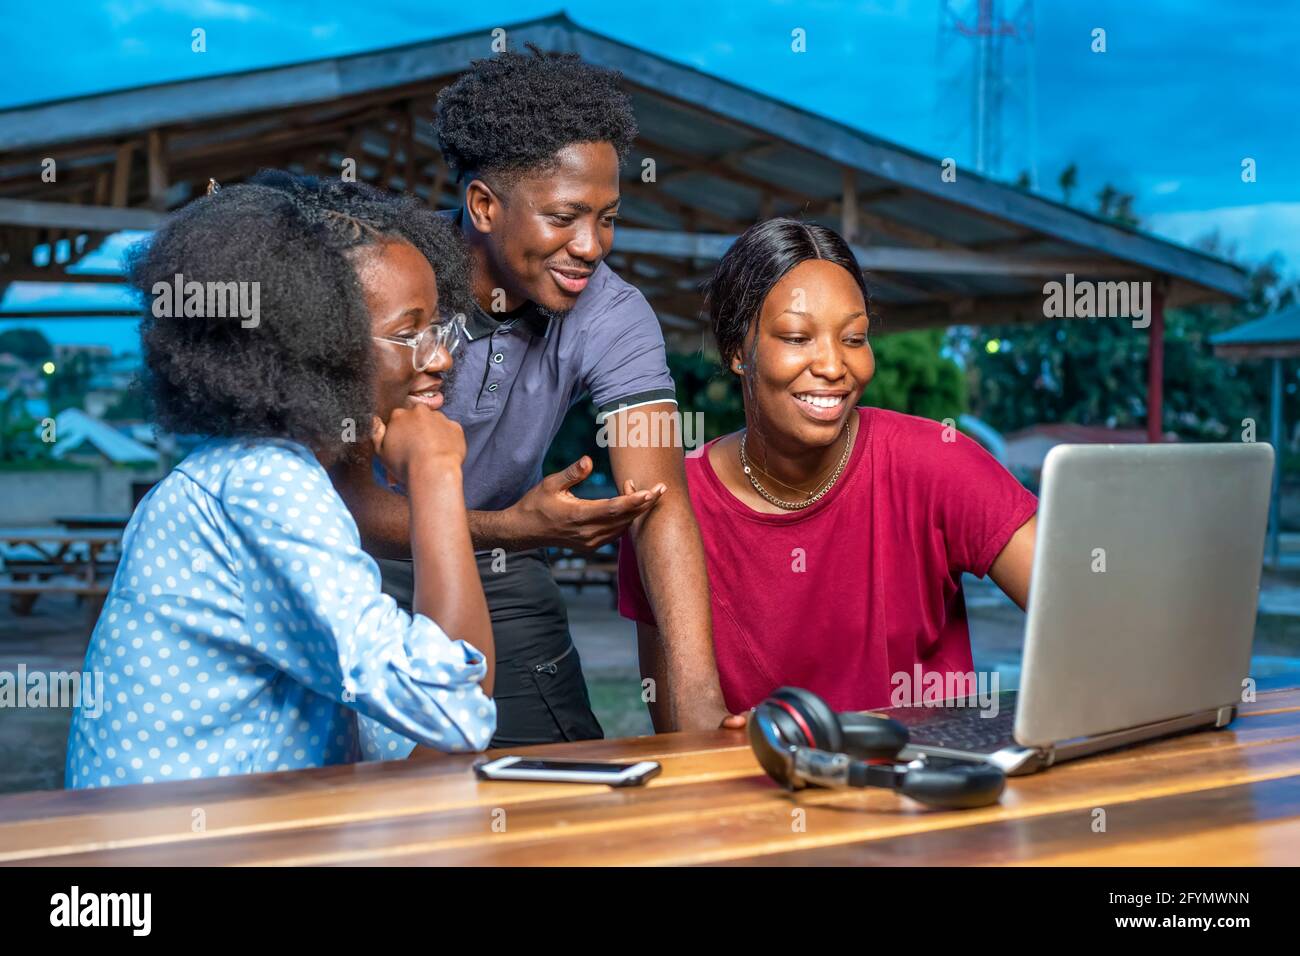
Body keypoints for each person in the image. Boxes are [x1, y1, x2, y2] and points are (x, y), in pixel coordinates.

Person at [333, 47, 738, 748]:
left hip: (497, 573)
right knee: (346, 788)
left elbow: (659, 502)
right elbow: (346, 504)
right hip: (349, 559)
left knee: (564, 781)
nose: (591, 246)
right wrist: (515, 528)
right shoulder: (388, 285)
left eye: (607, 217)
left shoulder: (613, 313)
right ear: (484, 206)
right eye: (564, 217)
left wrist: (699, 692)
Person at [65, 173, 495, 788]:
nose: (441, 358)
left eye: (440, 329)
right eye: (408, 334)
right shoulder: (262, 483)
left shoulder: (258, 470)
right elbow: (456, 707)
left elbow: (419, 732)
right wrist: (435, 475)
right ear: (315, 349)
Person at [618, 218, 1038, 719]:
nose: (835, 366)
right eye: (797, 337)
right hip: (760, 788)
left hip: (926, 784)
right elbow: (677, 731)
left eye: (854, 338)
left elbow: (1086, 611)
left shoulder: (937, 462)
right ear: (737, 352)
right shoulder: (673, 505)